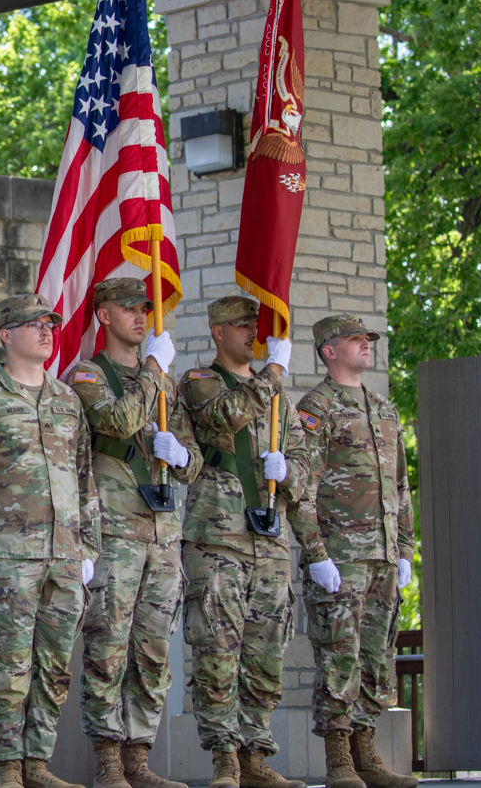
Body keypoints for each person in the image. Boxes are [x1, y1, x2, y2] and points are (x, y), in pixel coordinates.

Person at [0, 293, 99, 788]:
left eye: (50, 324)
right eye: (34, 325)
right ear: (6, 335)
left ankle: (37, 765)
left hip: (65, 559)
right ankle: (6, 768)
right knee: (11, 668)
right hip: (9, 558)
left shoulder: (67, 400)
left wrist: (88, 547)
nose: (47, 332)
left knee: (54, 668)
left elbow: (85, 477)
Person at [65, 278, 199, 788]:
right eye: (129, 309)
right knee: (108, 648)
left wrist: (181, 455)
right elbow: (118, 422)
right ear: (103, 316)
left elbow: (194, 461)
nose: (142, 317)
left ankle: (138, 758)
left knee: (153, 652)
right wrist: (154, 368)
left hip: (163, 536)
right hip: (114, 534)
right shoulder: (87, 376)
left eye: (145, 309)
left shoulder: (160, 382)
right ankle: (107, 761)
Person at [177, 297, 309, 788]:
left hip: (270, 543)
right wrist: (274, 370)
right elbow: (224, 417)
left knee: (266, 655)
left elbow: (304, 460)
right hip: (219, 540)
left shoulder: (279, 398)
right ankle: (224, 760)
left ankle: (256, 755)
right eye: (241, 324)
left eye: (256, 324)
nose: (253, 331)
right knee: (217, 651)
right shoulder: (198, 382)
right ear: (217, 331)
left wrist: (290, 470)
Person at [292, 315, 418, 788]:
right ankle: (339, 760)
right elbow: (301, 489)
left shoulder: (384, 409)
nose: (366, 345)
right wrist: (316, 553)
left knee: (376, 658)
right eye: (355, 339)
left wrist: (404, 549)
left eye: (368, 339)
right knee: (338, 657)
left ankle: (367, 756)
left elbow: (401, 488)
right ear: (329, 350)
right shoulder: (316, 409)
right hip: (340, 558)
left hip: (383, 557)